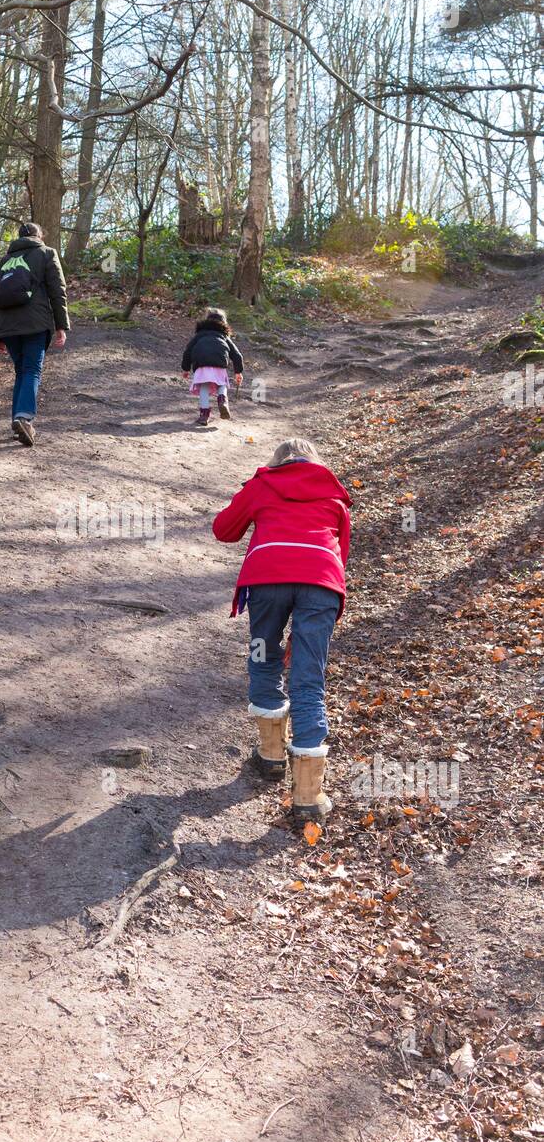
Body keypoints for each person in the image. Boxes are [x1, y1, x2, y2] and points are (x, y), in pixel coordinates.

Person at [212, 438, 351, 826]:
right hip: (322, 583)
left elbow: (223, 530)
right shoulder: (333, 495)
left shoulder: (262, 485)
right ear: (317, 463)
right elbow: (341, 553)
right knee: (309, 677)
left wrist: (251, 500)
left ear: (277, 463)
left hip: (267, 582)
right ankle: (307, 794)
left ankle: (271, 755)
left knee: (263, 654)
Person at [0, 221, 70, 446]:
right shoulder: (47, 254)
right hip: (35, 322)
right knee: (32, 370)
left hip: (7, 324)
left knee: (21, 371)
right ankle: (23, 417)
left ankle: (17, 424)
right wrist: (61, 325)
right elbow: (58, 291)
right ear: (39, 236)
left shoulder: (5, 261)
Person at [181, 307, 244, 425]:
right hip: (219, 363)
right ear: (224, 323)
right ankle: (222, 399)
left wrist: (185, 368)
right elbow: (237, 354)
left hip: (202, 364)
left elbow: (188, 351)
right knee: (222, 384)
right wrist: (238, 372)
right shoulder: (224, 336)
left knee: (204, 388)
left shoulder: (199, 335)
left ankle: (204, 416)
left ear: (207, 320)